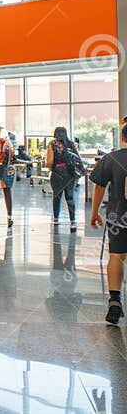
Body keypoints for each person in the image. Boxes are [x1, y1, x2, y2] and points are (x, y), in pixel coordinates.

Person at [89, 123, 127, 326]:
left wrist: (95, 213)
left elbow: (99, 187)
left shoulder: (112, 158)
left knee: (117, 255)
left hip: (118, 215)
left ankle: (114, 301)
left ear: (123, 138)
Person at [46, 126, 79, 227]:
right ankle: (72, 221)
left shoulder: (52, 144)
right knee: (70, 197)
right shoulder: (71, 144)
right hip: (69, 174)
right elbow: (77, 159)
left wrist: (50, 167)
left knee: (57, 196)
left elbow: (50, 161)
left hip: (57, 173)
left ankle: (56, 219)